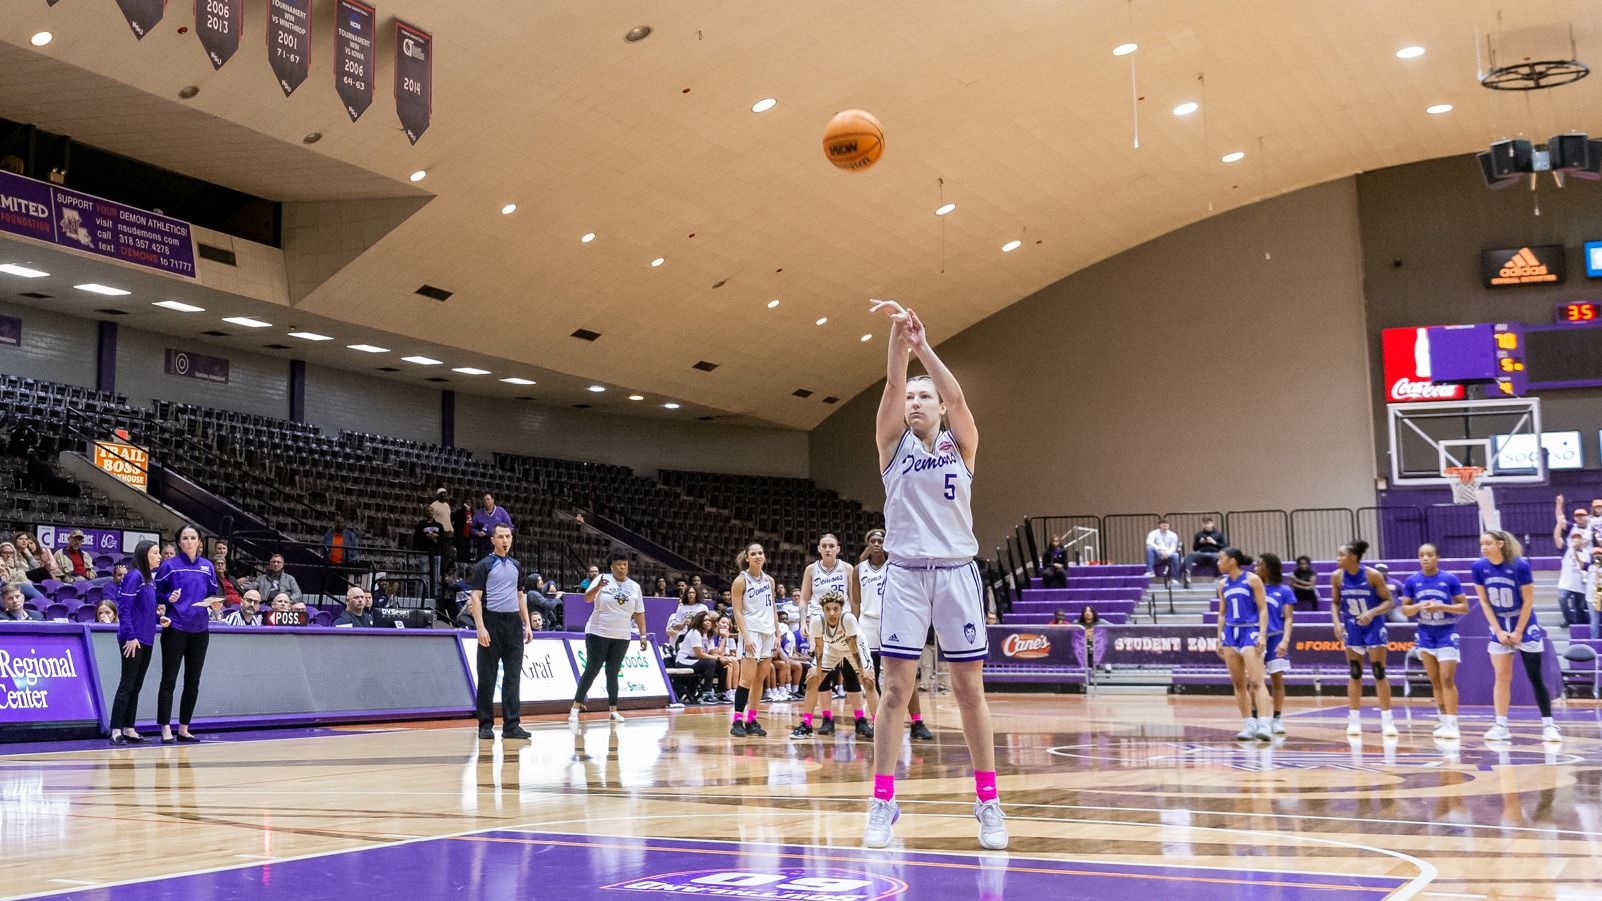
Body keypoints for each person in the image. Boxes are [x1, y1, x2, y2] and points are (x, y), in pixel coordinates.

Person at [864, 300, 1004, 850]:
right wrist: (898, 339)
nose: (916, 402)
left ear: (940, 407)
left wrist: (923, 346)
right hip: (904, 575)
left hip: (956, 574)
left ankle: (988, 801)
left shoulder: (961, 444)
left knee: (969, 690)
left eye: (926, 397)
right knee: (895, 690)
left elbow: (960, 398)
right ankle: (882, 801)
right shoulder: (891, 445)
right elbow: (891, 387)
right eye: (911, 398)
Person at [1472, 530, 1560, 743]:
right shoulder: (1479, 567)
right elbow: (1484, 601)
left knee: (1535, 677)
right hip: (1499, 624)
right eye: (1481, 544)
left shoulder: (1520, 566)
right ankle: (1501, 725)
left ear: (1500, 544)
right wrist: (1498, 630)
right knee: (1501, 677)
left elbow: (1528, 600)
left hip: (1524, 623)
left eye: (1488, 543)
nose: (1483, 548)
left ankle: (1548, 725)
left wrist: (1519, 630)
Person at [856, 527, 934, 742]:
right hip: (867, 623)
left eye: (880, 541)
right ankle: (880, 721)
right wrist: (853, 628)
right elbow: (855, 601)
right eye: (872, 541)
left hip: (892, 622)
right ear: (868, 543)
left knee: (905, 675)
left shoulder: (896, 567)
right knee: (870, 677)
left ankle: (917, 722)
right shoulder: (859, 569)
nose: (876, 544)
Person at [154, 525, 223, 744]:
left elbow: (212, 593)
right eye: (185, 538)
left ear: (199, 542)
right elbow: (156, 593)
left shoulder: (208, 566)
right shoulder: (169, 566)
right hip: (175, 628)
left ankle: (184, 728)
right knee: (169, 679)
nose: (189, 542)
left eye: (193, 538)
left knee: (193, 681)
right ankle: (165, 728)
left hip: (200, 630)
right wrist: (168, 599)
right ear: (179, 542)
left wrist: (214, 604)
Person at [466, 524, 532, 740]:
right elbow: (475, 597)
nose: (505, 540)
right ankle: (485, 725)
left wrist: (527, 624)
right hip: (491, 621)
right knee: (487, 676)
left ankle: (512, 726)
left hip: (513, 624)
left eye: (508, 536)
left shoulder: (516, 565)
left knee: (513, 677)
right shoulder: (484, 565)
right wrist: (480, 627)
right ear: (493, 540)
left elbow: (520, 596)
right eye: (501, 537)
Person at [1399, 543, 1469, 740]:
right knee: (1435, 680)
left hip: (1446, 632)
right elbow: (1405, 610)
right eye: (1422, 555)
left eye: (1429, 555)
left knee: (1447, 678)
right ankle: (1443, 718)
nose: (1425, 558)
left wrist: (1442, 607)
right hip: (1425, 633)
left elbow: (1464, 607)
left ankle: (1452, 723)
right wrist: (1419, 606)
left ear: (1437, 557)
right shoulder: (1412, 581)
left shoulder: (1449, 579)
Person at [1329, 540, 1397, 738]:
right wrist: (1336, 623)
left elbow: (1389, 602)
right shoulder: (1337, 576)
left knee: (1378, 672)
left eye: (1342, 555)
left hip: (1373, 626)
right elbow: (1335, 603)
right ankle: (1354, 721)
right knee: (1355, 672)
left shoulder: (1372, 575)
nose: (1338, 558)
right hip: (1352, 626)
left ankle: (1388, 721)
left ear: (1353, 558)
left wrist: (1372, 612)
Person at [569, 551, 646, 724]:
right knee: (592, 669)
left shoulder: (634, 587)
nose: (622, 567)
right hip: (598, 632)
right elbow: (587, 598)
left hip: (622, 636)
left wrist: (643, 635)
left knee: (613, 672)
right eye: (619, 564)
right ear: (612, 567)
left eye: (625, 564)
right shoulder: (602, 579)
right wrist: (598, 587)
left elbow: (639, 613)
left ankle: (613, 711)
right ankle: (575, 708)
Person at [793, 591, 874, 740]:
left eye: (835, 609)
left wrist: (862, 671)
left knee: (869, 680)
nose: (831, 613)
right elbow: (819, 646)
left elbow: (853, 646)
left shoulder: (848, 619)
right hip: (832, 649)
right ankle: (806, 724)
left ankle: (879, 724)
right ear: (823, 610)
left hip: (854, 648)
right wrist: (817, 670)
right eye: (828, 609)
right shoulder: (817, 621)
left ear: (841, 609)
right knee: (812, 679)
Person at [1214, 548, 1273, 742]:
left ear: (1232, 560)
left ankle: (1264, 724)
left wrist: (1262, 635)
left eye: (1221, 559)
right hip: (1231, 633)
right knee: (1238, 683)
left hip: (1250, 631)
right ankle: (1248, 724)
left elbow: (1263, 608)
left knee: (1256, 681)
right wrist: (1219, 638)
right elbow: (1222, 613)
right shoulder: (1222, 584)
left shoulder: (1252, 579)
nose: (1218, 562)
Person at [109, 541, 161, 744]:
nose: (159, 556)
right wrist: (130, 636)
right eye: (155, 553)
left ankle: (129, 728)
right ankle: (116, 729)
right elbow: (124, 609)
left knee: (136, 685)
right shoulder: (134, 576)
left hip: (147, 638)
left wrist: (160, 619)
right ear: (144, 554)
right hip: (133, 639)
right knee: (127, 684)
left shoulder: (149, 579)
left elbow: (145, 609)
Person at [729, 542, 777, 737]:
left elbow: (773, 609)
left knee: (759, 679)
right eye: (754, 554)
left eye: (760, 553)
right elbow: (737, 612)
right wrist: (746, 636)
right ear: (747, 558)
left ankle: (752, 720)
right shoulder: (740, 581)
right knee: (747, 678)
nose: (758, 556)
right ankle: (737, 720)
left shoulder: (770, 581)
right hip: (751, 632)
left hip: (768, 633)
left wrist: (777, 634)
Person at [1256, 553, 1296, 735]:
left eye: (1259, 565)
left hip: (1275, 638)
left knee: (1277, 680)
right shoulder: (1254, 588)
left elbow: (1288, 619)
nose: (1256, 568)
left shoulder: (1285, 591)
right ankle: (1256, 719)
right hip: (1256, 638)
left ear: (1268, 568)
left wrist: (1285, 640)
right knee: (1255, 681)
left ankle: (1277, 718)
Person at [801, 534, 855, 623]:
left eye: (831, 546)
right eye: (824, 546)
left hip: (842, 616)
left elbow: (853, 600)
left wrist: (855, 620)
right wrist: (803, 622)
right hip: (818, 616)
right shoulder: (811, 569)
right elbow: (804, 599)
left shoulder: (847, 568)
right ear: (819, 549)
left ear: (838, 549)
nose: (827, 549)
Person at [1555, 528, 1593, 630]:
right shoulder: (1566, 550)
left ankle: (1579, 624)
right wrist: (1559, 524)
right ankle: (1568, 620)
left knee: (1580, 607)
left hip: (1580, 585)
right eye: (1574, 538)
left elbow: (1586, 567)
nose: (1576, 540)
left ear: (1582, 540)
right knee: (1562, 598)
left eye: (1579, 538)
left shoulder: (1588, 554)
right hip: (1566, 583)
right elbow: (1557, 538)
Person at [1183, 517, 1227, 588]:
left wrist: (1214, 542)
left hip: (1214, 554)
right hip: (1202, 554)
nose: (1207, 525)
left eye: (1208, 523)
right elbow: (1195, 548)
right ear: (1203, 525)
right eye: (1205, 524)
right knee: (1190, 554)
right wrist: (1200, 543)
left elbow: (1225, 547)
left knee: (1220, 556)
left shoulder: (1219, 534)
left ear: (1212, 524)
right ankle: (1187, 576)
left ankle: (1218, 576)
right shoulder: (1198, 534)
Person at [470, 493, 513, 561]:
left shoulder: (501, 511)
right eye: (484, 500)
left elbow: (510, 526)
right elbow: (472, 528)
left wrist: (504, 534)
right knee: (484, 561)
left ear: (493, 500)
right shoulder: (478, 514)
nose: (486, 501)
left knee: (498, 561)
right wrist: (478, 533)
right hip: (484, 541)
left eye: (488, 499)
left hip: (498, 540)